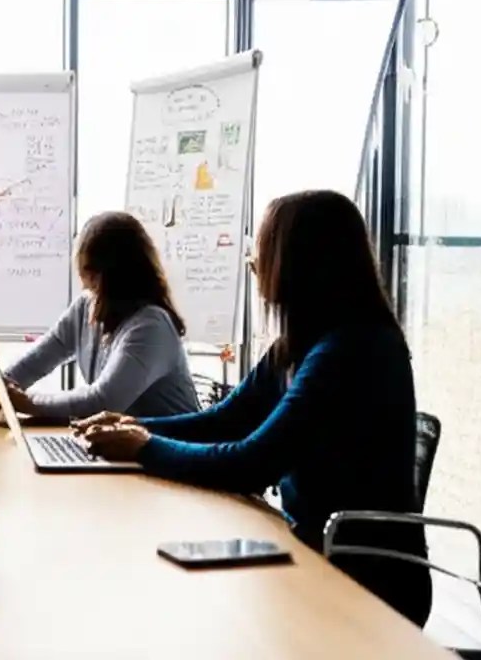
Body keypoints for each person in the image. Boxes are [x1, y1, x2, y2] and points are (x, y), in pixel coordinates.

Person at [73, 190, 431, 627]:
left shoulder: (349, 350)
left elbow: (253, 463)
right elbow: (224, 420)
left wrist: (143, 446)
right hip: (311, 544)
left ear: (300, 261)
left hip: (363, 573)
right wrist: (132, 425)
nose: (255, 264)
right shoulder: (302, 342)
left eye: (261, 250)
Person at [0, 211, 199, 420]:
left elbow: (103, 402)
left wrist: (28, 403)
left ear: (117, 274)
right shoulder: (86, 306)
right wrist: (1, 385)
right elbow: (37, 360)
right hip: (123, 445)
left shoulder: (151, 326)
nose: (85, 283)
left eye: (91, 274)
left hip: (170, 447)